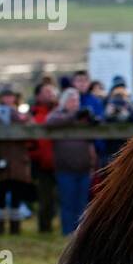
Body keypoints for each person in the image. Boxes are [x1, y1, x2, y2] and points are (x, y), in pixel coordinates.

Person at [47, 87, 98, 235]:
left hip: (83, 167)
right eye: (71, 100)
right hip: (65, 168)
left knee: (82, 203)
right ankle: (67, 232)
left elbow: (92, 139)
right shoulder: (58, 114)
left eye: (76, 100)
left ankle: (80, 233)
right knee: (67, 202)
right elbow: (50, 122)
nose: (74, 103)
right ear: (64, 101)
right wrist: (73, 116)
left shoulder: (83, 116)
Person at [0, 86, 33, 235]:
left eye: (10, 97)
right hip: (0, 159)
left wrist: (20, 119)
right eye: (5, 97)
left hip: (18, 161)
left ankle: (15, 228)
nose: (8, 100)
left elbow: (31, 131)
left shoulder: (21, 113)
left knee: (16, 196)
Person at [29, 83, 59, 233]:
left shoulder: (61, 111)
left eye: (52, 91)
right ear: (38, 96)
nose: (51, 94)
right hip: (42, 163)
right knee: (45, 200)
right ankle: (44, 228)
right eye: (46, 92)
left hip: (61, 161)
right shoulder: (34, 113)